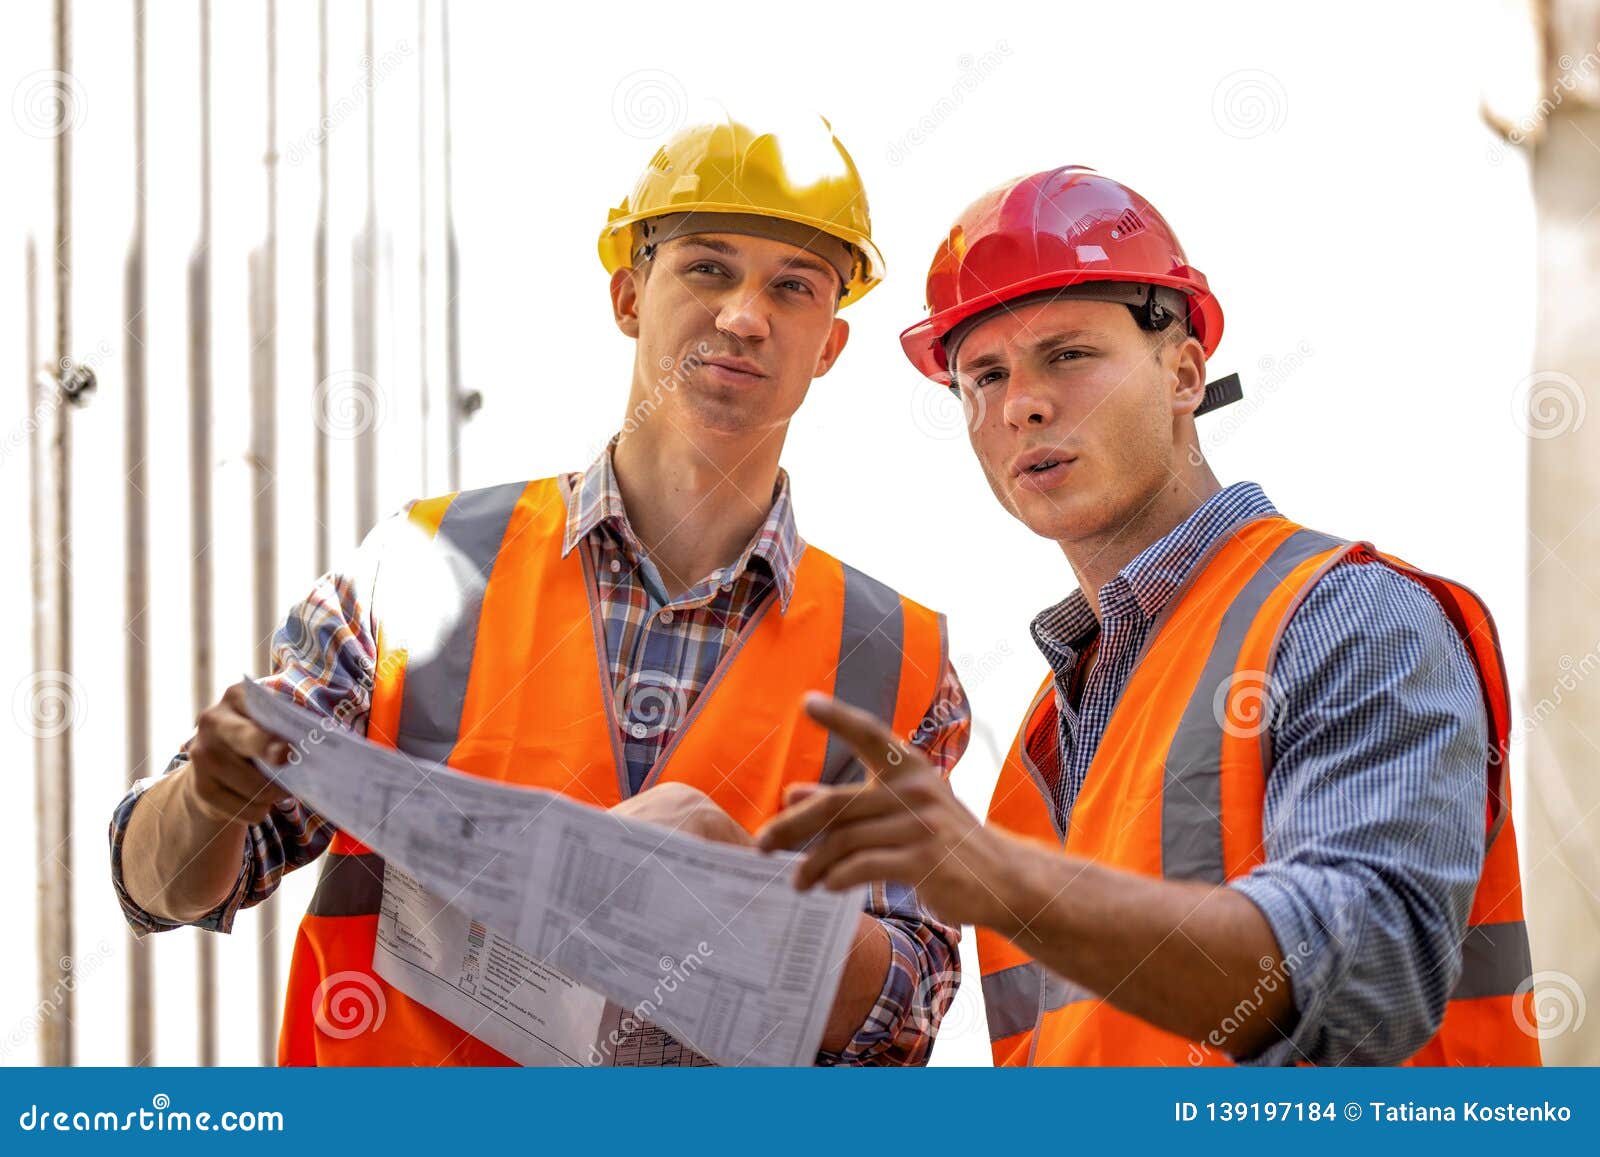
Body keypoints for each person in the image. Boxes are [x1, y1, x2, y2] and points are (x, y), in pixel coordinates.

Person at [110, 114, 970, 1067]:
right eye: (707, 268)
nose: (743, 316)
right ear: (628, 295)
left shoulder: (893, 658)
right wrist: (208, 798)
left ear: (830, 344)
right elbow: (162, 887)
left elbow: (907, 1018)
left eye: (793, 286)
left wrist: (745, 900)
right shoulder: (422, 570)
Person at [758, 165, 1540, 1067]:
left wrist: (1013, 883)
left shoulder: (1344, 615)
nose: (1022, 404)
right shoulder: (1042, 751)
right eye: (985, 375)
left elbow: (1370, 973)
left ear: (1184, 372)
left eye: (1068, 355)